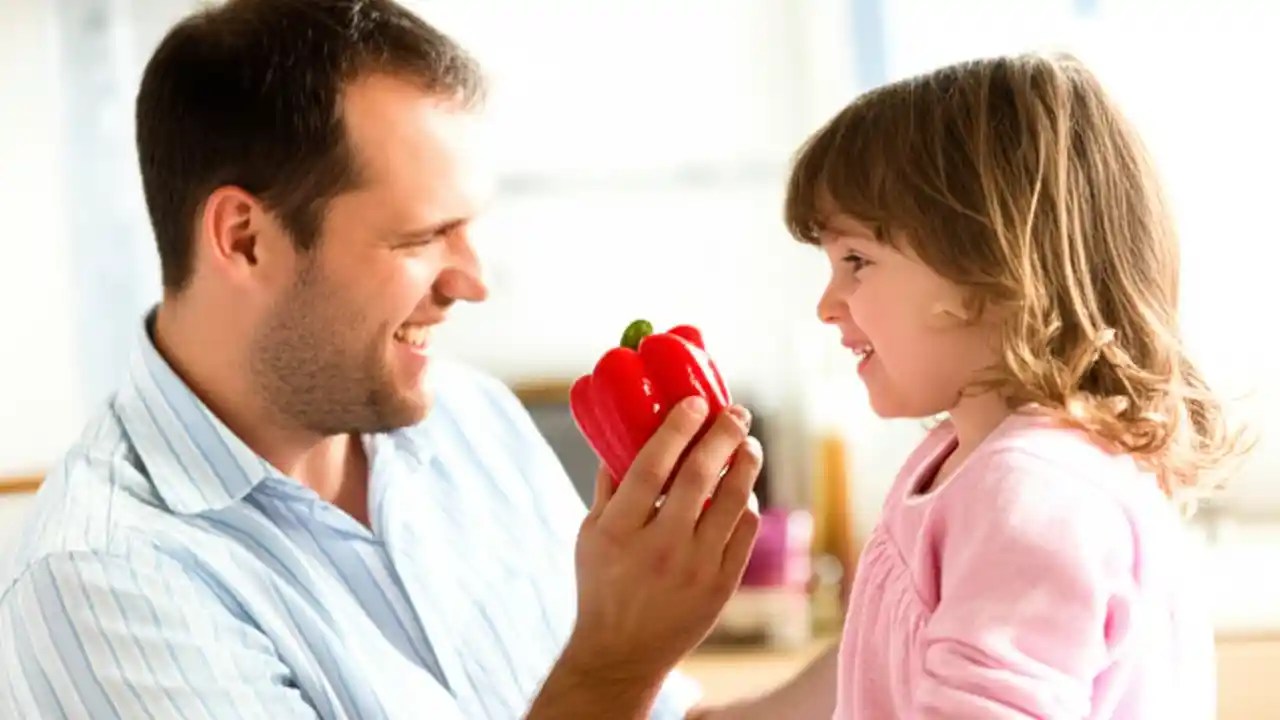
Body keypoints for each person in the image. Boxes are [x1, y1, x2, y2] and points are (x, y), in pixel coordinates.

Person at [0, 1, 769, 718]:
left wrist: (846, 657)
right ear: (244, 239)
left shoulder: (472, 419)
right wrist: (616, 663)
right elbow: (611, 686)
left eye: (468, 226)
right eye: (421, 237)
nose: (474, 281)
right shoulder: (102, 579)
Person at [775, 52, 1249, 718]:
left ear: (982, 268)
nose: (828, 305)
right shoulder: (966, 462)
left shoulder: (1033, 491)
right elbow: (893, 658)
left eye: (857, 261)